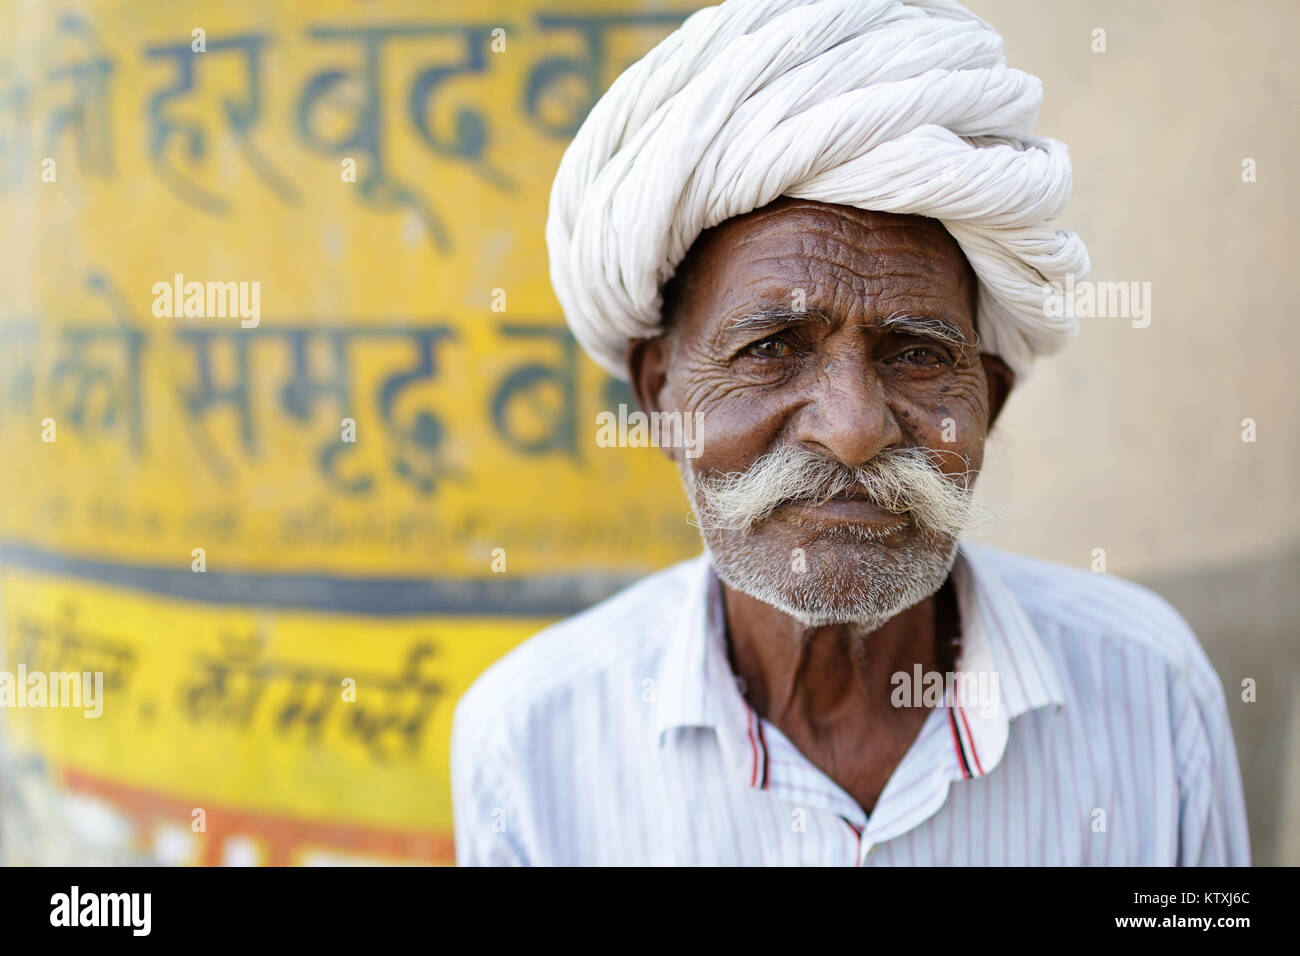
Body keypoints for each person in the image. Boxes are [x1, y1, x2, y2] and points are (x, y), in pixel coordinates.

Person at [451, 0, 1250, 866]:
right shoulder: (534, 739)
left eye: (915, 354)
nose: (856, 431)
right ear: (660, 394)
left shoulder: (1150, 689)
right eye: (772, 350)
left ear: (990, 398)